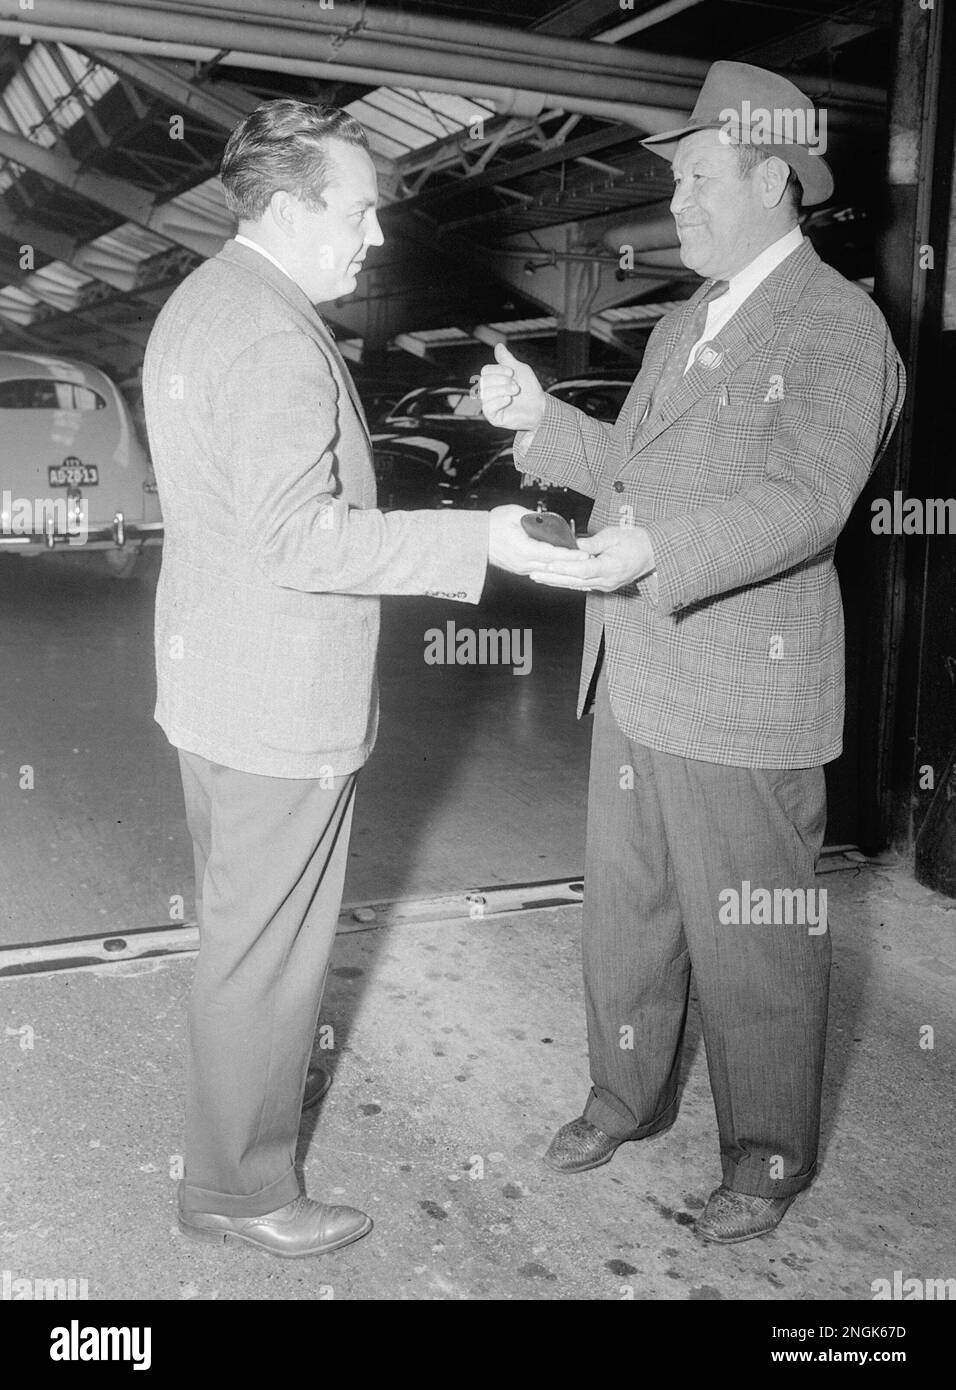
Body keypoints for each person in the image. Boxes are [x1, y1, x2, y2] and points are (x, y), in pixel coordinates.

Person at [480, 61, 905, 1244]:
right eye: (673, 181)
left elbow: (803, 500)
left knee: (752, 934)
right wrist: (538, 423)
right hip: (636, 665)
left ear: (773, 176)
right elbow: (637, 463)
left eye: (696, 178)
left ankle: (764, 1155)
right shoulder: (683, 320)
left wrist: (652, 548)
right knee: (629, 910)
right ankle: (622, 1095)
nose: (672, 202)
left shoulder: (838, 325)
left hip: (736, 684)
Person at [143, 99, 560, 1259]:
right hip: (277, 704)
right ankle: (238, 1194)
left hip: (212, 684)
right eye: (359, 208)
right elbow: (298, 540)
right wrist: (476, 535)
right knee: (269, 962)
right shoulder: (273, 333)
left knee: (239, 939)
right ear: (287, 207)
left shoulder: (202, 302)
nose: (374, 235)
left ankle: (226, 1166)